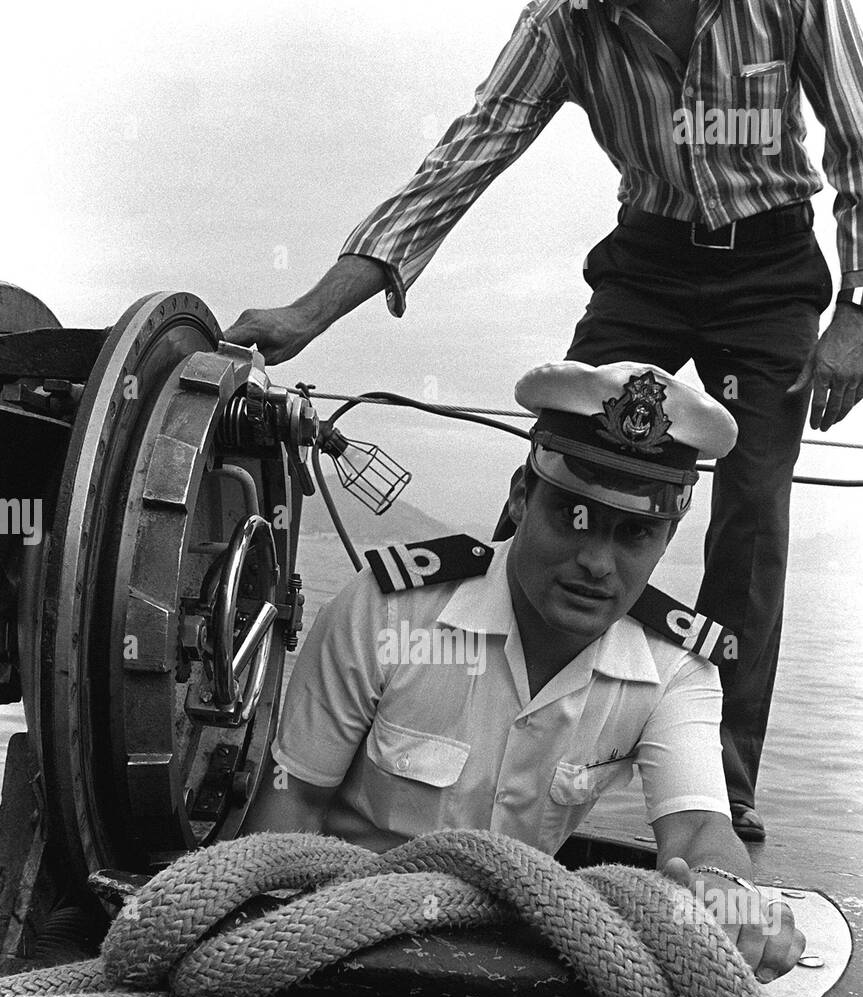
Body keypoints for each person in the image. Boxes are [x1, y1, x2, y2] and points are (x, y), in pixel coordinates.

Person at [225, 0, 863, 842]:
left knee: (752, 508)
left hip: (772, 265)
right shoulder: (565, 20)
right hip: (649, 258)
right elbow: (462, 160)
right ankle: (450, 723)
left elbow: (858, 135)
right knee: (556, 467)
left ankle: (725, 788)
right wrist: (312, 312)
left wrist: (855, 310)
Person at [243, 360, 804, 983]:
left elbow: (699, 825)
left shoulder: (673, 667)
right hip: (336, 940)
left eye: (635, 533)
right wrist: (273, 961)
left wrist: (725, 896)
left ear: (667, 540)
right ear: (520, 496)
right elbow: (291, 806)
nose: (596, 562)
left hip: (501, 957)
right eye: (574, 516)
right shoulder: (388, 614)